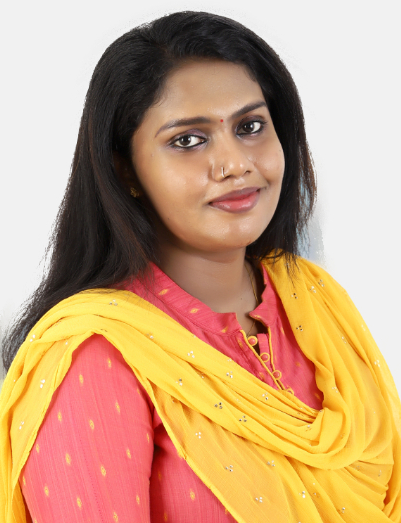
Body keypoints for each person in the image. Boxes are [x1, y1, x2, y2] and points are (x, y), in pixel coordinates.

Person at [1, 10, 400, 523]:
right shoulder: (94, 356)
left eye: (250, 127)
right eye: (188, 140)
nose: (236, 163)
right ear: (126, 171)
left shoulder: (316, 297)